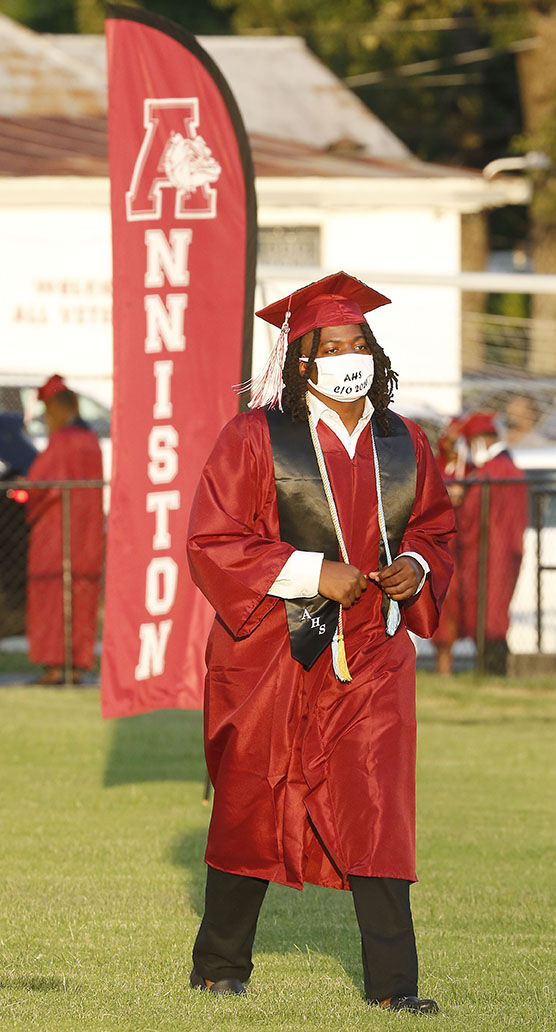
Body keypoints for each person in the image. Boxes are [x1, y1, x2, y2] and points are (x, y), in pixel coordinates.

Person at [187, 273, 455, 1013]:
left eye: (358, 343)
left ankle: (396, 989)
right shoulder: (254, 435)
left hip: (372, 648)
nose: (349, 357)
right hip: (272, 647)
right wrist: (310, 570)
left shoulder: (405, 440)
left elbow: (434, 524)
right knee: (253, 794)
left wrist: (417, 566)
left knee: (375, 801)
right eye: (332, 346)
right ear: (302, 359)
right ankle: (218, 965)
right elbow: (214, 540)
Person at [26, 375, 104, 685]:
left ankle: (56, 665)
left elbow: (40, 484)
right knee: (80, 593)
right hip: (88, 533)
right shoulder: (91, 440)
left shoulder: (62, 441)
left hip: (58, 531)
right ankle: (75, 664)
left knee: (51, 592)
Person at [458, 411, 528, 675]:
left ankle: (493, 670)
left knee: (489, 613)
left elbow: (471, 514)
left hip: (489, 551)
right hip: (505, 550)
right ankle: (494, 670)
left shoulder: (492, 471)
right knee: (494, 611)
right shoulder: (509, 467)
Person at [432, 418, 469, 674]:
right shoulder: (437, 466)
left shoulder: (469, 469)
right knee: (443, 605)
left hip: (465, 549)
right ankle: (443, 668)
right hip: (442, 547)